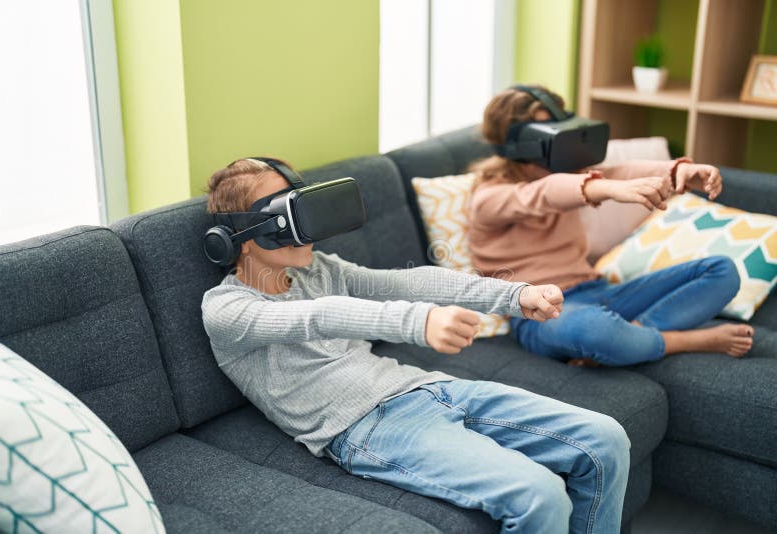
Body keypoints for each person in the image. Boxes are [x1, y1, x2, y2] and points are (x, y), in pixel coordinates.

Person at [201, 157, 632, 533]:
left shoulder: (319, 269)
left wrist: (515, 296)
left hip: (423, 387)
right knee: (540, 495)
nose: (308, 227)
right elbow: (318, 316)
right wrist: (419, 321)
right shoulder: (226, 309)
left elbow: (408, 280)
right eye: (287, 213)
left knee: (605, 440)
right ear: (236, 235)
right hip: (364, 427)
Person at [468, 85, 754, 368]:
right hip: (537, 313)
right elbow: (543, 194)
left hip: (597, 289)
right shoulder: (489, 198)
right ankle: (683, 341)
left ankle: (626, 340)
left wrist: (678, 172)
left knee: (722, 271)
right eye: (546, 129)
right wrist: (604, 189)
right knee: (592, 327)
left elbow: (620, 171)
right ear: (517, 143)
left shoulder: (567, 172)